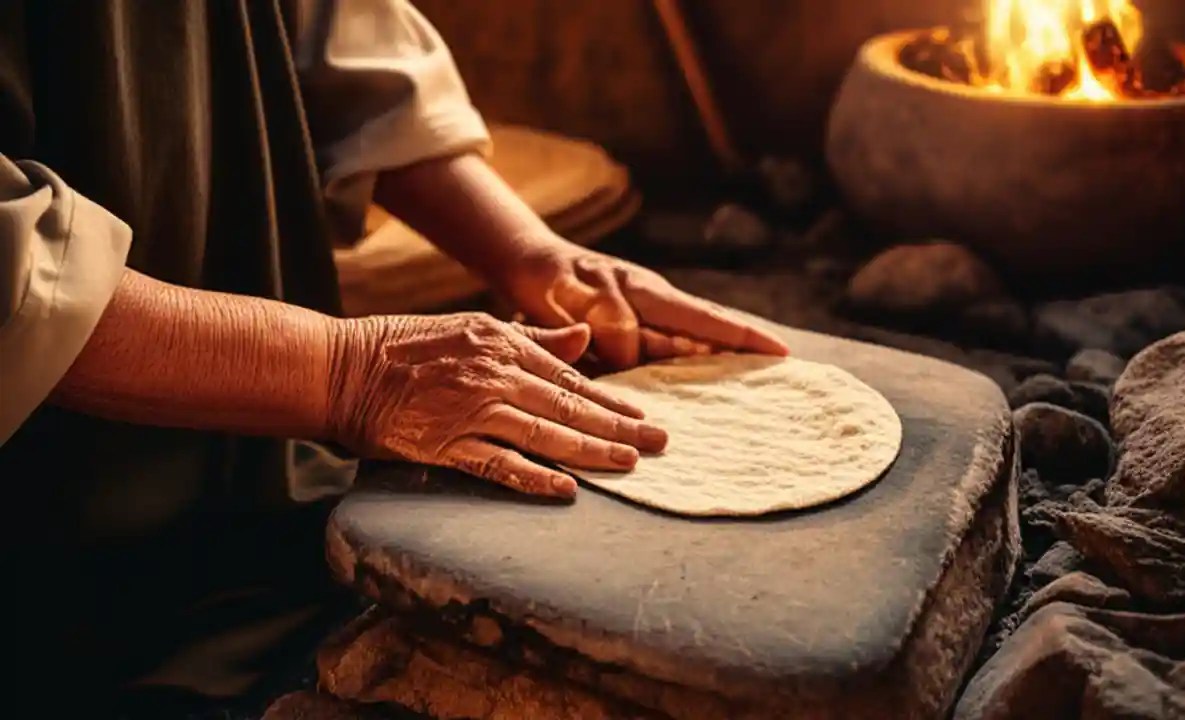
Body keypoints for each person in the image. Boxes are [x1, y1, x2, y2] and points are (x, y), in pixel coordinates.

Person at [0, 0, 787, 710]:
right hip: (55, 570)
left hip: (266, 494)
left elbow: (326, 32)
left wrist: (530, 253)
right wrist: (348, 372)